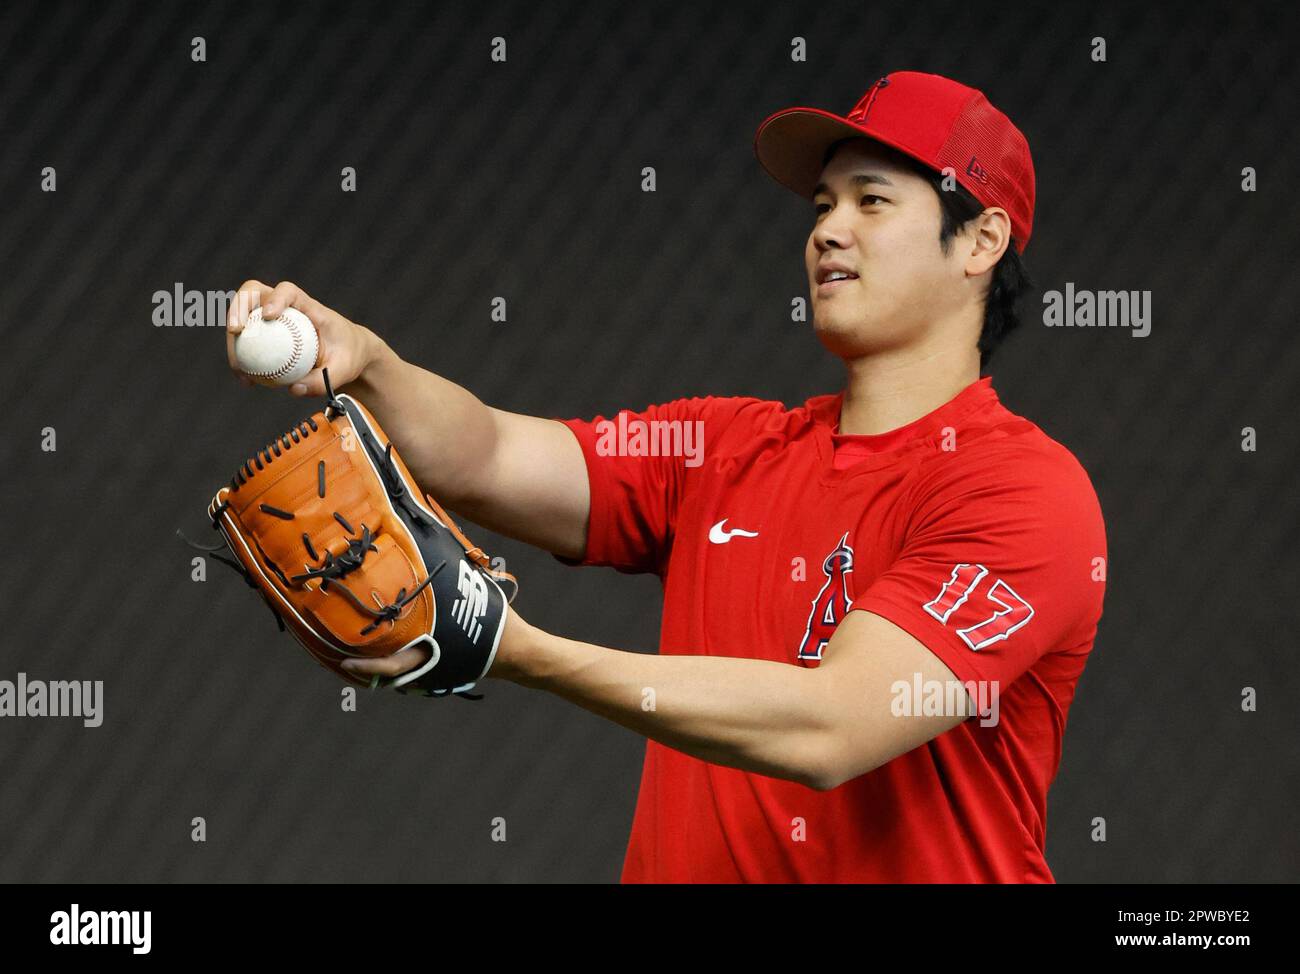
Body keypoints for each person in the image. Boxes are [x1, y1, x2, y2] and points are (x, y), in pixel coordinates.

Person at [225, 71, 1107, 883]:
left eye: (873, 201)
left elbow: (833, 724)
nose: (829, 228)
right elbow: (486, 455)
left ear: (982, 239)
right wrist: (372, 363)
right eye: (823, 203)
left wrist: (523, 652)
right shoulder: (723, 447)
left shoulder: (1023, 491)